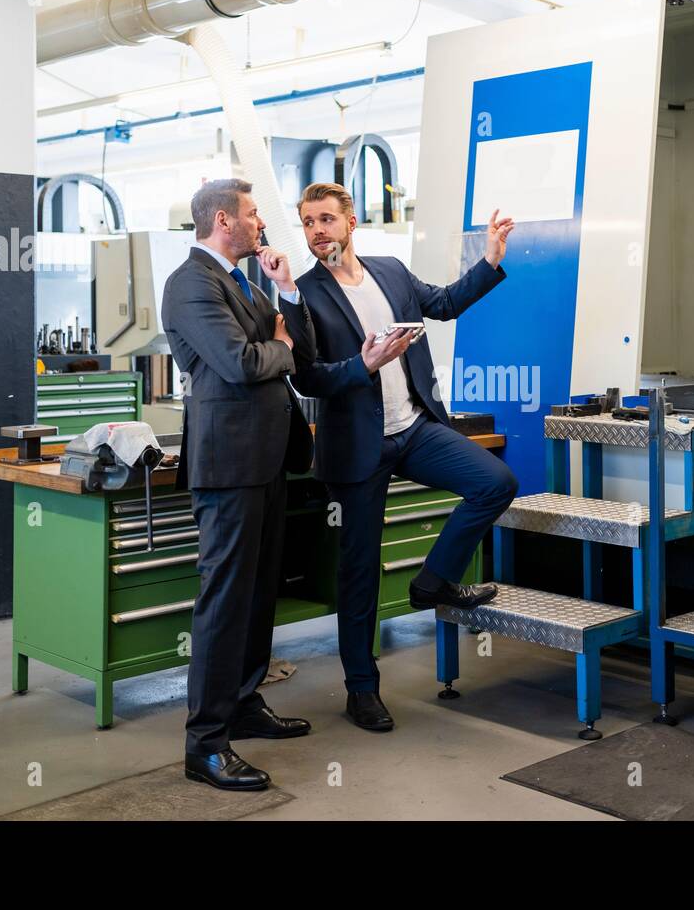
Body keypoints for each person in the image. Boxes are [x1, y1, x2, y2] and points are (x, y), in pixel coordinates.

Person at [278, 181, 518, 732]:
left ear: (350, 221)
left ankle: (432, 581)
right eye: (308, 222)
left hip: (413, 427)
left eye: (326, 219)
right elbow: (309, 377)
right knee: (358, 573)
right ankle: (361, 690)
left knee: (495, 483)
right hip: (357, 447)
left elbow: (446, 304)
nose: (317, 231)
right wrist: (365, 362)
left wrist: (488, 260)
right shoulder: (303, 295)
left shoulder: (390, 270)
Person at [161, 178, 316, 791]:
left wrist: (284, 291)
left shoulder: (244, 283)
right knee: (224, 601)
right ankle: (205, 744)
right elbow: (242, 363)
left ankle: (246, 704)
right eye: (254, 215)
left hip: (266, 461)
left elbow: (292, 348)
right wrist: (273, 344)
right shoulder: (192, 283)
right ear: (224, 220)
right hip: (228, 467)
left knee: (257, 594)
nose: (262, 224)